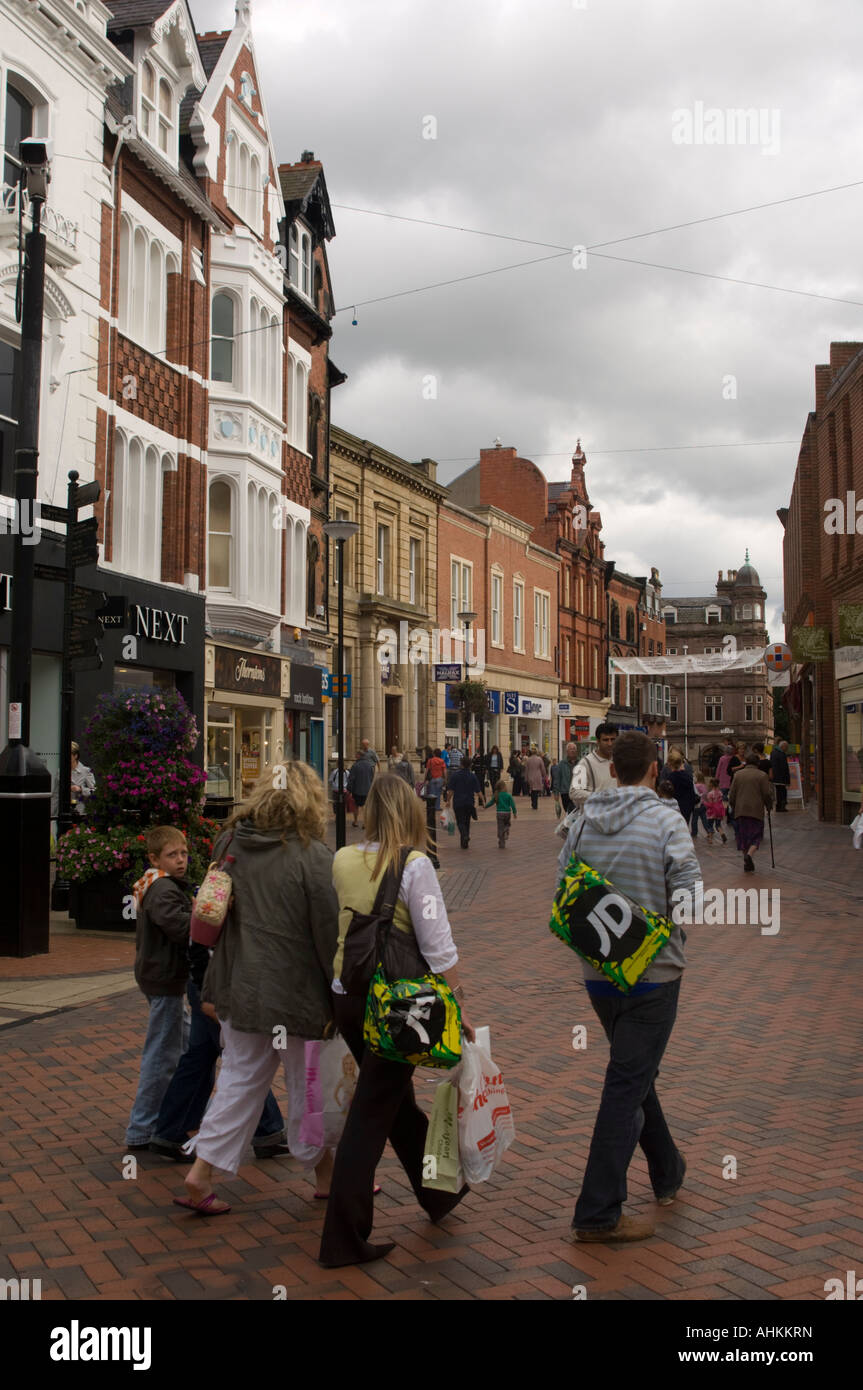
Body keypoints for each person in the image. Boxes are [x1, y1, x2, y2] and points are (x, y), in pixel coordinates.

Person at [320, 774, 475, 1267]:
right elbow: (437, 944)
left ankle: (437, 1192)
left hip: (349, 996)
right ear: (409, 812)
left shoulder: (342, 858)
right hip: (399, 1006)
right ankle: (344, 1237)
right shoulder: (415, 864)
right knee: (371, 1116)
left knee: (396, 1106)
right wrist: (460, 1002)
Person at [557, 731, 700, 1242]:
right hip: (654, 977)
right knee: (626, 1084)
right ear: (654, 770)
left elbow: (564, 890)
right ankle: (597, 1212)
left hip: (599, 977)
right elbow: (688, 903)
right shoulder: (667, 820)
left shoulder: (579, 822)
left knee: (633, 1073)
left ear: (612, 769)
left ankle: (667, 1171)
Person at [179, 763, 340, 1216]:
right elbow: (330, 936)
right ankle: (327, 1175)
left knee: (239, 1079)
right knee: (307, 1086)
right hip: (295, 995)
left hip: (240, 986)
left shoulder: (230, 842)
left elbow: (214, 915)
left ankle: (202, 1172)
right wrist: (341, 990)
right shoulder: (313, 857)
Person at [149, 935, 289, 1163]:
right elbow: (203, 930)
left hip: (212, 977)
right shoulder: (222, 900)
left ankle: (171, 1130)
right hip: (219, 978)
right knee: (243, 1061)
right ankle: (268, 1131)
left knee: (202, 1056)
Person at [125, 826, 194, 1151]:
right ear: (154, 859)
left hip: (163, 977)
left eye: (183, 853)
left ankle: (177, 1112)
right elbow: (180, 928)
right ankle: (142, 1127)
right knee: (162, 1053)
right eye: (172, 855)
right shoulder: (163, 889)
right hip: (164, 979)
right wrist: (203, 914)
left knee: (184, 1046)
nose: (180, 860)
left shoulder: (156, 884)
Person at [727, 751, 774, 873]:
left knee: (743, 836)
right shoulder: (762, 775)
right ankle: (749, 855)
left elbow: (732, 794)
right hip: (755, 811)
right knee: (756, 836)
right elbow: (766, 794)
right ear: (757, 763)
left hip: (740, 810)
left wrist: (733, 805)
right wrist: (769, 806)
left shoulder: (738, 775)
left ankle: (746, 859)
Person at [568, 723, 618, 812]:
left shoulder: (621, 761)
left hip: (616, 817)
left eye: (613, 739)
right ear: (598, 741)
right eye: (605, 740)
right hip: (594, 818)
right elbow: (574, 792)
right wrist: (599, 796)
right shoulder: (585, 763)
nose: (610, 743)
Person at [51, 741, 97, 822]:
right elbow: (56, 794)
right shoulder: (60, 771)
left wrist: (80, 789)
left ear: (75, 756)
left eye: (69, 755)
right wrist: (52, 815)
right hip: (63, 812)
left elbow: (94, 791)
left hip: (80, 813)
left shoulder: (86, 771)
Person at [445, 758, 483, 849]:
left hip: (458, 802)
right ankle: (464, 843)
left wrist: (448, 801)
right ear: (470, 765)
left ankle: (465, 836)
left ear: (461, 764)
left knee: (460, 822)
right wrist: (483, 801)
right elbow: (478, 791)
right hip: (469, 802)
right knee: (467, 822)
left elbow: (450, 790)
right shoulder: (473, 776)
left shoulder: (455, 775)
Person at [662, 749, 698, 824]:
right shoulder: (688, 776)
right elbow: (692, 794)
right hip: (686, 809)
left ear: (669, 764)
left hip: (673, 809)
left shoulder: (670, 778)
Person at [347, 749, 376, 829]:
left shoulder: (355, 766)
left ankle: (356, 821)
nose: (355, 756)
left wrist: (349, 789)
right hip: (367, 790)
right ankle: (365, 823)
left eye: (356, 754)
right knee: (365, 807)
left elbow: (351, 779)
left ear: (359, 756)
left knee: (356, 806)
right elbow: (372, 777)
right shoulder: (370, 766)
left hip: (357, 790)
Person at [485, 776, 517, 848]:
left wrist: (485, 806)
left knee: (500, 827)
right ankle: (506, 830)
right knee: (507, 824)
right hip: (507, 813)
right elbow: (512, 805)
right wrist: (514, 813)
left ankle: (502, 843)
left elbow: (491, 802)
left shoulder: (496, 795)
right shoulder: (508, 795)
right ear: (504, 787)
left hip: (499, 813)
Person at [552, 743, 579, 815]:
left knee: (577, 812)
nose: (572, 751)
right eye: (571, 749)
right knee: (568, 812)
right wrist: (556, 792)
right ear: (567, 751)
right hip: (565, 792)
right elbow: (557, 779)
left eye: (574, 749)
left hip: (578, 792)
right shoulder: (561, 764)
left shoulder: (581, 763)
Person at [703, 778, 727, 844]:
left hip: (711, 812)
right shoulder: (720, 793)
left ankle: (710, 839)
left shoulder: (710, 794)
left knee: (710, 825)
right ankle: (722, 834)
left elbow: (710, 804)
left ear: (711, 785)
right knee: (718, 825)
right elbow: (721, 802)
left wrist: (705, 803)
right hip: (718, 811)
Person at [770, 739, 790, 812]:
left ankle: (778, 806)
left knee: (778, 792)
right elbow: (784, 767)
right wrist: (787, 778)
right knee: (782, 792)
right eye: (786, 747)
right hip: (781, 777)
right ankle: (782, 807)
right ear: (783, 747)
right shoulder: (782, 754)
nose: (787, 749)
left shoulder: (773, 752)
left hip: (776, 776)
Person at [525, 746, 547, 811]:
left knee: (532, 790)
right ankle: (535, 804)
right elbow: (542, 768)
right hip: (537, 776)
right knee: (536, 791)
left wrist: (526, 778)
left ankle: (533, 802)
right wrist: (544, 775)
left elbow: (526, 769)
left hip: (530, 776)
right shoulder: (539, 759)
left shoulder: (528, 759)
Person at [690, 774, 710, 840]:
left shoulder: (696, 786)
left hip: (697, 805)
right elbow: (706, 795)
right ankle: (708, 830)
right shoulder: (704, 786)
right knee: (704, 819)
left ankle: (694, 832)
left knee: (694, 819)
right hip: (703, 805)